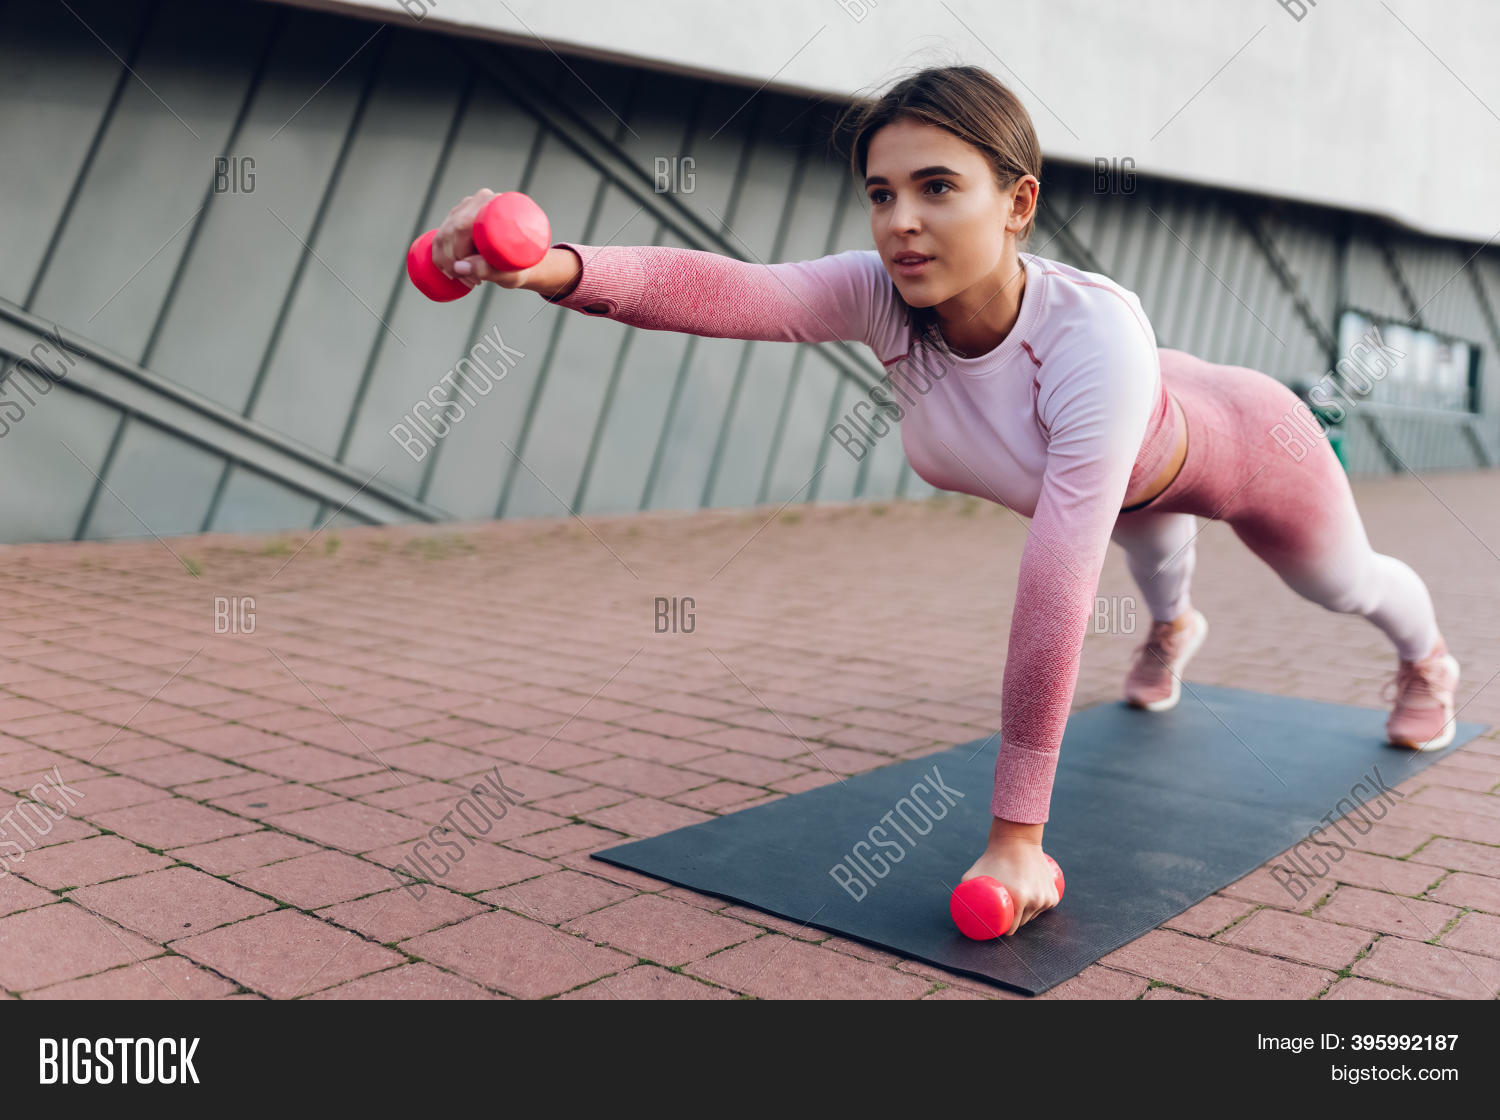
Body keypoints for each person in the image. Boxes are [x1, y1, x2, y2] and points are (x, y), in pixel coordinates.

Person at [426, 64, 1461, 936]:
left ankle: (1428, 660)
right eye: (881, 194)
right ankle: (1173, 631)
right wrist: (549, 269)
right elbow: (735, 293)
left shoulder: (1088, 339)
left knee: (1339, 580)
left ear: (1016, 202)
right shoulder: (885, 296)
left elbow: (1056, 584)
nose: (901, 222)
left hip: (1246, 440)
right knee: (1151, 549)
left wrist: (1017, 840)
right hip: (1131, 467)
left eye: (935, 188)